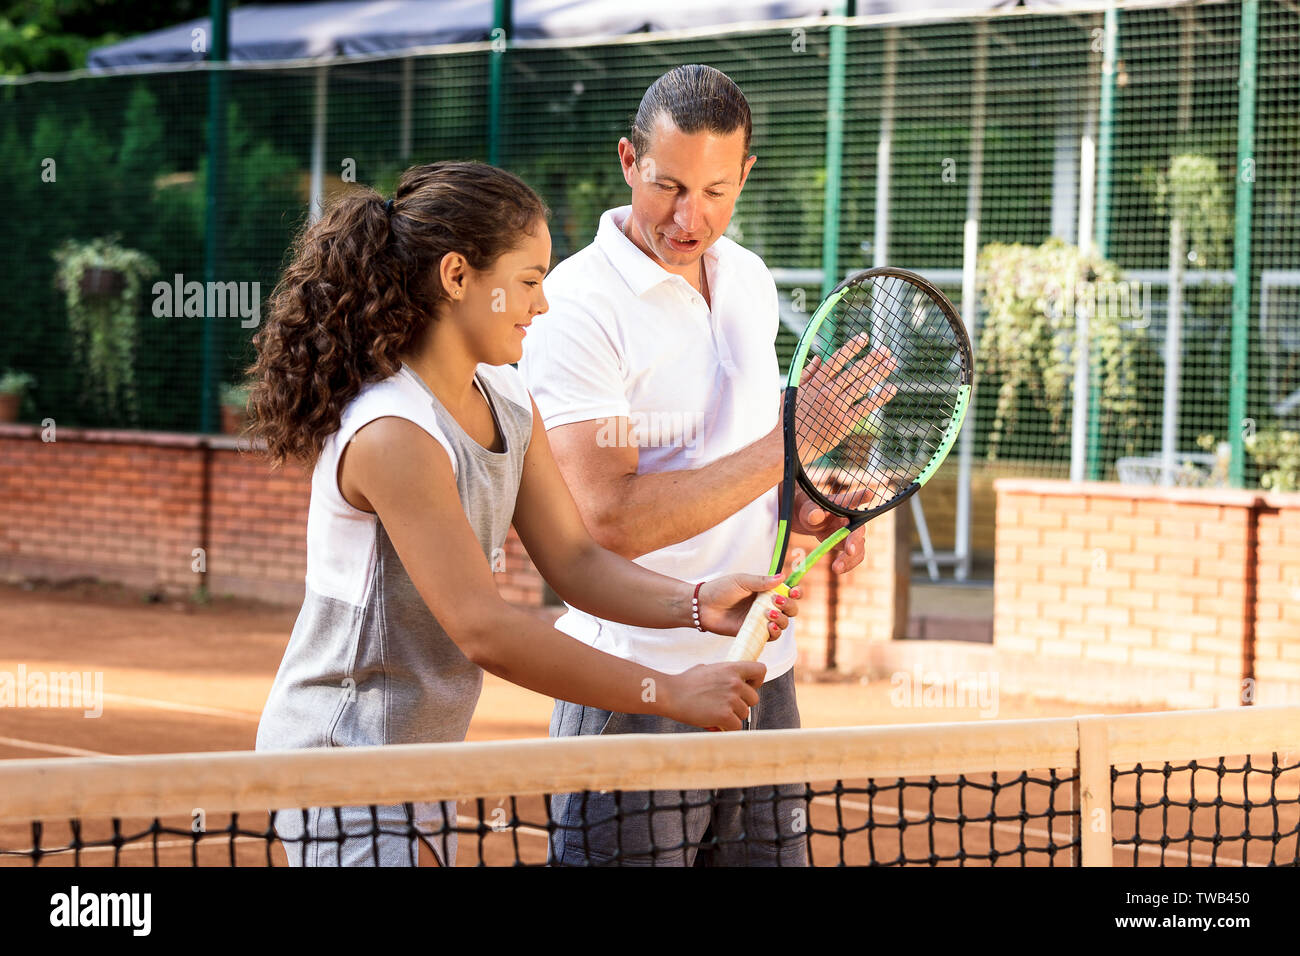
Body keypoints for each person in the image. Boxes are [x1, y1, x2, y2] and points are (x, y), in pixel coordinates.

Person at [246, 160, 799, 867]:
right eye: (531, 281)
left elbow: (574, 561)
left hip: (421, 758)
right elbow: (487, 630)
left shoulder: (507, 398)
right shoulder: (392, 433)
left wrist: (694, 603)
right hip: (340, 755)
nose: (542, 306)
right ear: (456, 277)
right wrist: (674, 692)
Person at [519, 65, 868, 866]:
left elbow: (752, 459)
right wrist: (791, 445)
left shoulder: (747, 277)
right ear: (627, 161)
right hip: (633, 684)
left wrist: (805, 505)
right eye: (668, 185)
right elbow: (609, 522)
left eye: (715, 190)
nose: (690, 216)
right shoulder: (576, 305)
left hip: (758, 673)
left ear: (746, 173)